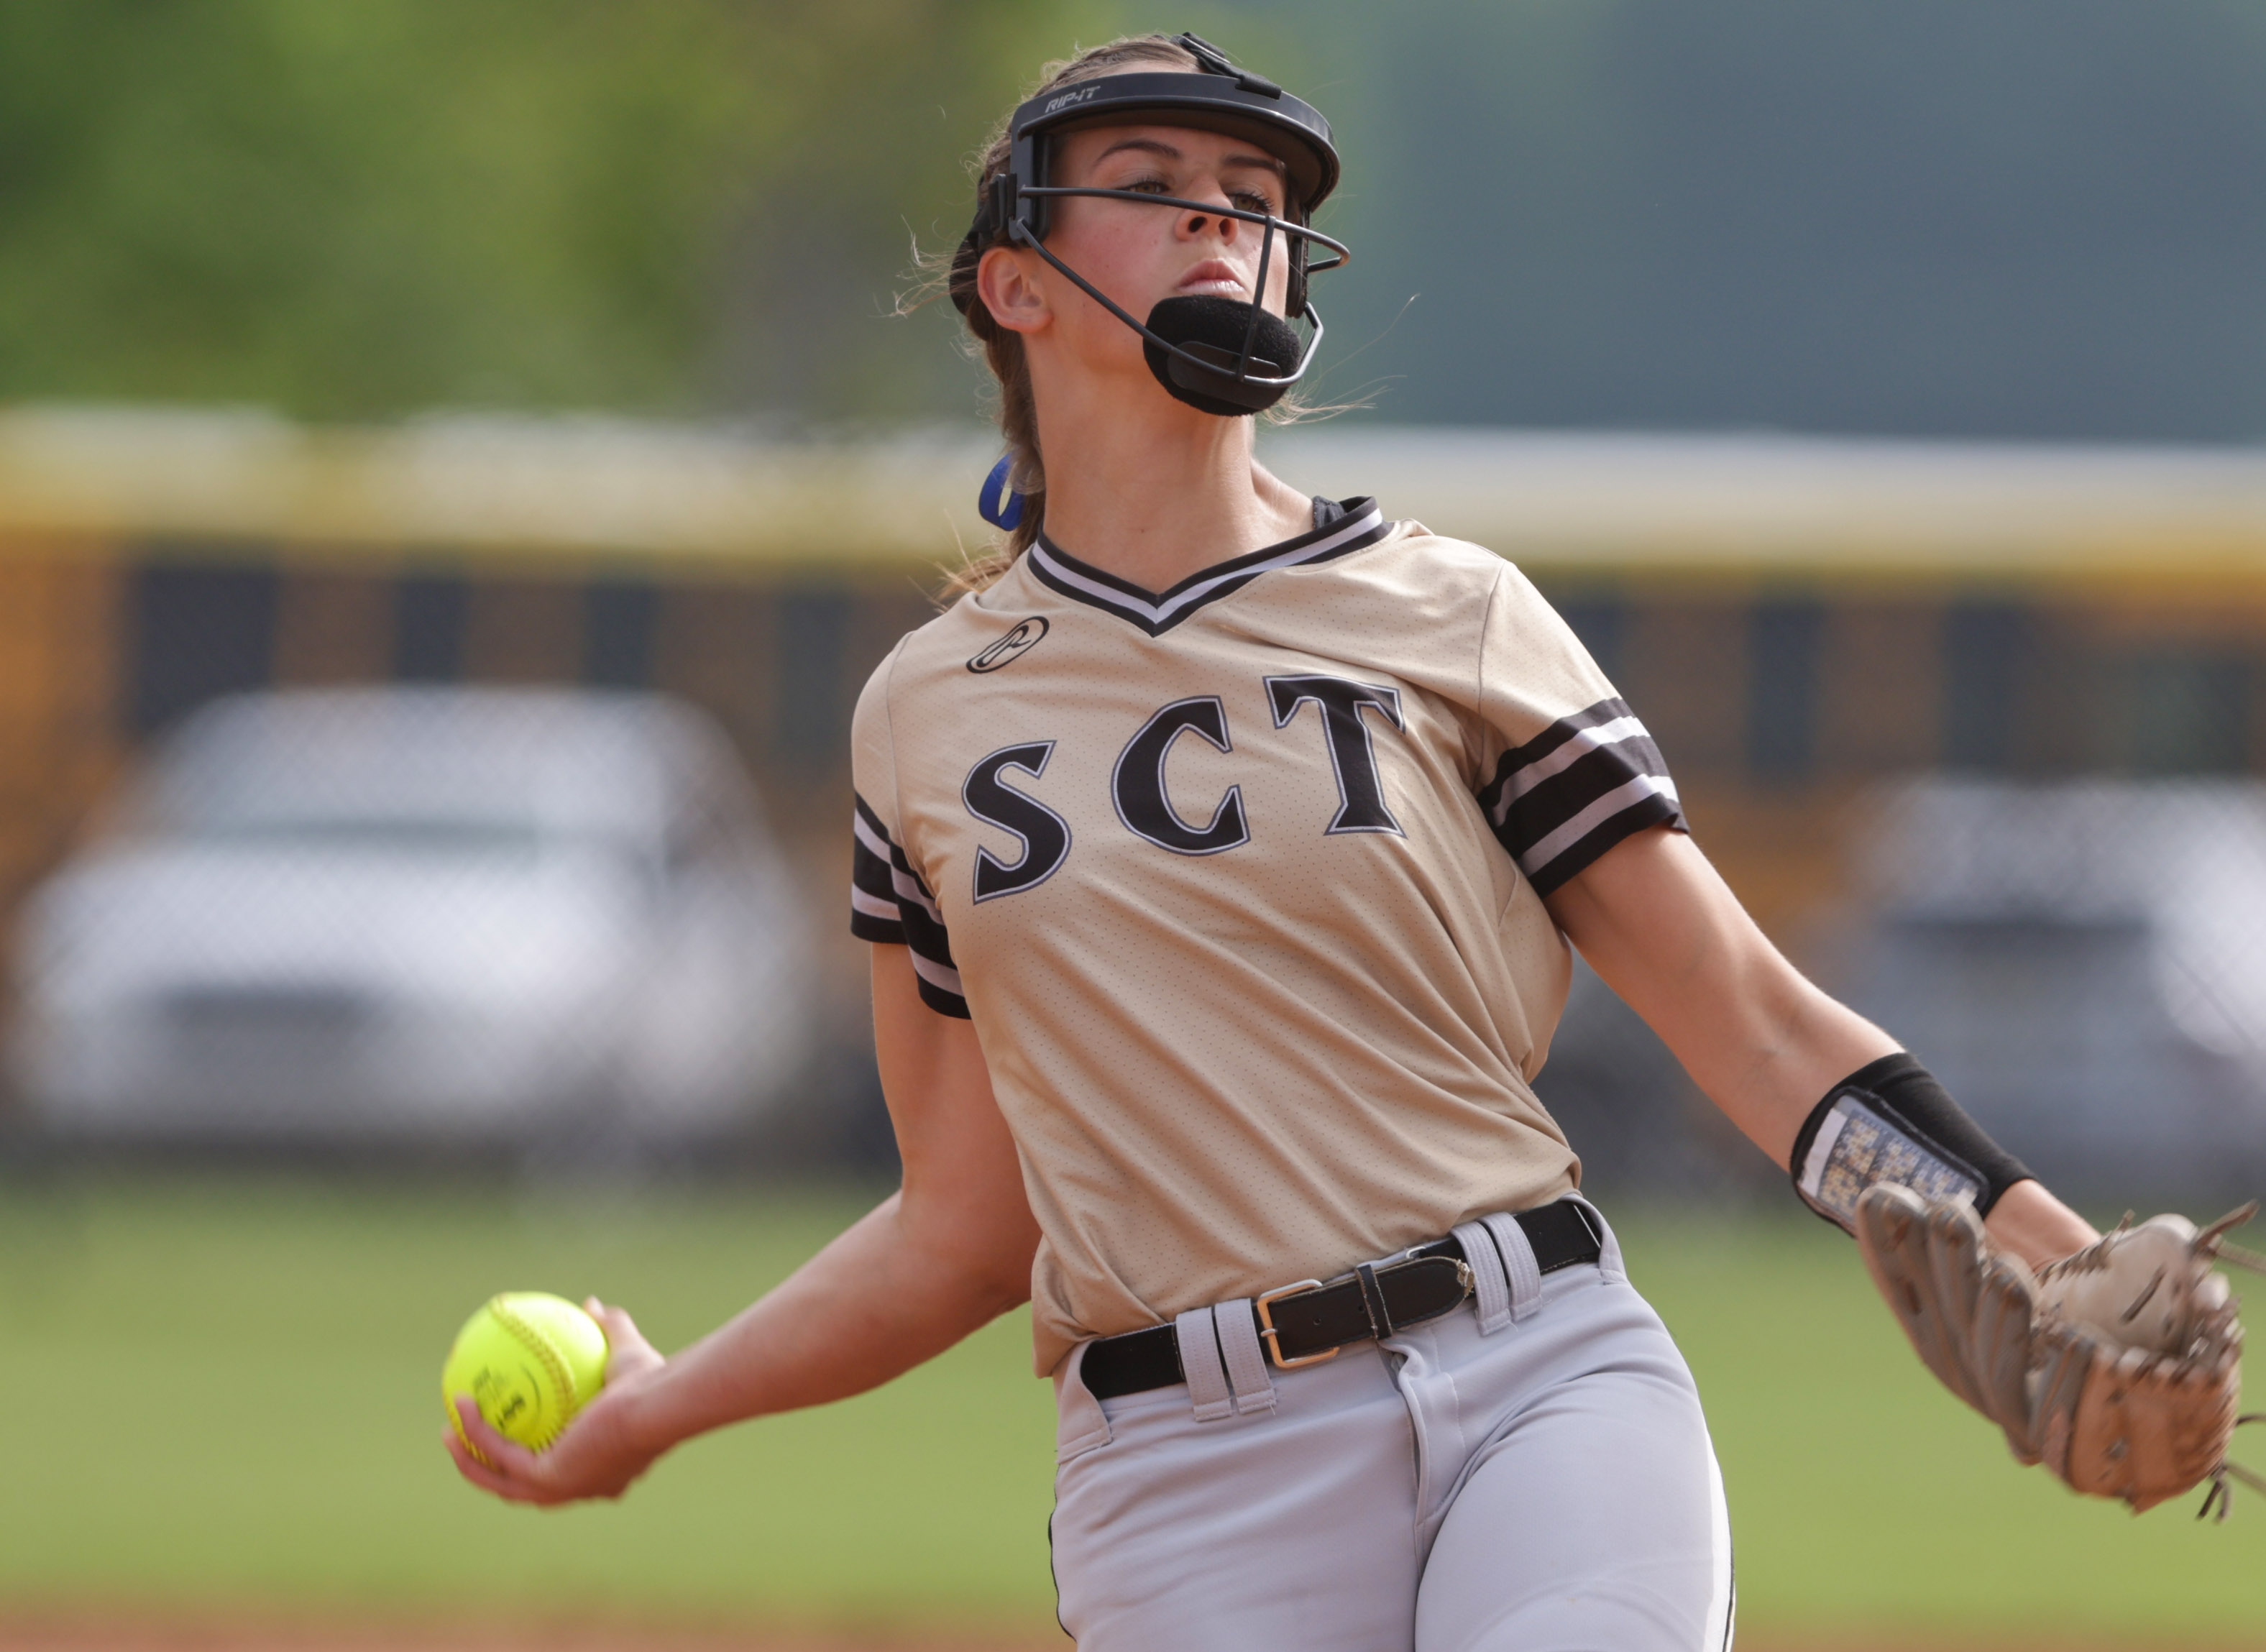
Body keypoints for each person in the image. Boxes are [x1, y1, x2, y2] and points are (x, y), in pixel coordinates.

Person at [444, 32, 2101, 1650]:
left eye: (1251, 197)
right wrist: (659, 1412)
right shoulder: (926, 715)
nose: (1218, 219)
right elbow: (963, 1226)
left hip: (1543, 1374)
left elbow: (1744, 1014)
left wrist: (2064, 1269)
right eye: (1151, 183)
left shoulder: (1448, 612)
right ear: (1013, 284)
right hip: (1182, 1466)